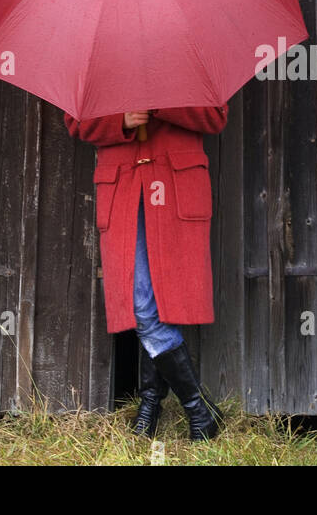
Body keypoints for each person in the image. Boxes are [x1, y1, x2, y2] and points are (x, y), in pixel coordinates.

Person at [64, 105, 228, 441]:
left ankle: (151, 403)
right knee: (142, 305)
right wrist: (119, 121)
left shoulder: (187, 69)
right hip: (123, 187)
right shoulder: (104, 73)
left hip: (175, 184)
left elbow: (215, 117)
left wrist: (162, 105)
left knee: (162, 303)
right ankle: (199, 409)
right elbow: (76, 121)